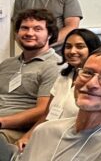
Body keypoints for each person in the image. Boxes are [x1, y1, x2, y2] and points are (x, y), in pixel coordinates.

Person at [0, 10, 60, 146]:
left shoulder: (54, 66)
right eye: (24, 28)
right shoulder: (7, 64)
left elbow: (44, 110)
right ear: (17, 33)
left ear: (50, 34)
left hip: (18, 130)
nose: (29, 33)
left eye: (37, 29)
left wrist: (2, 121)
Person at [40, 28, 101, 127]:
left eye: (80, 47)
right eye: (68, 47)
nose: (72, 51)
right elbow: (46, 115)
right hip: (48, 131)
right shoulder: (63, 77)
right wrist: (30, 134)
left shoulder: (97, 83)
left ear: (92, 49)